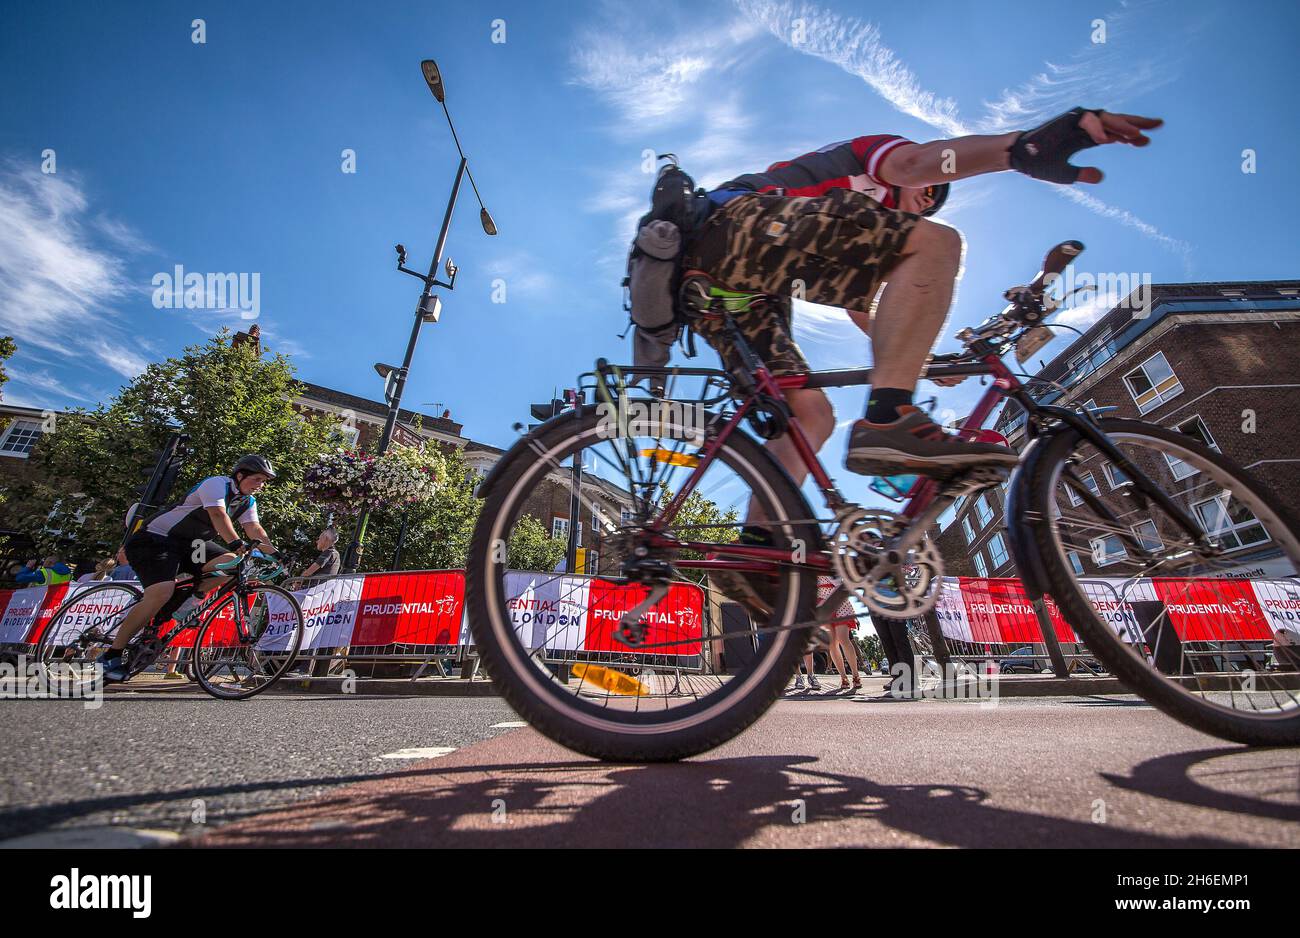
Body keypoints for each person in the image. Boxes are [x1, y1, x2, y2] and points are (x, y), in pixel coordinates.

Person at [687, 108, 1161, 610]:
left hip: (725, 286)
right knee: (939, 244)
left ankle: (758, 550)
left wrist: (923, 358)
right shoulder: (871, 162)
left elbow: (863, 310)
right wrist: (1021, 148)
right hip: (738, 222)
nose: (923, 203)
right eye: (927, 197)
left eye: (930, 201)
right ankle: (889, 420)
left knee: (811, 416)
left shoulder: (840, 218)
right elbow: (914, 165)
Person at [96, 455, 280, 682]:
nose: (260, 485)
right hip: (157, 539)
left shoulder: (247, 502)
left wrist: (277, 554)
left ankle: (188, 600)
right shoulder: (216, 484)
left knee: (231, 562)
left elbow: (254, 529)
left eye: (264, 481)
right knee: (162, 591)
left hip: (192, 545)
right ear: (240, 475)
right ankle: (111, 655)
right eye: (257, 479)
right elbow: (217, 515)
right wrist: (235, 541)